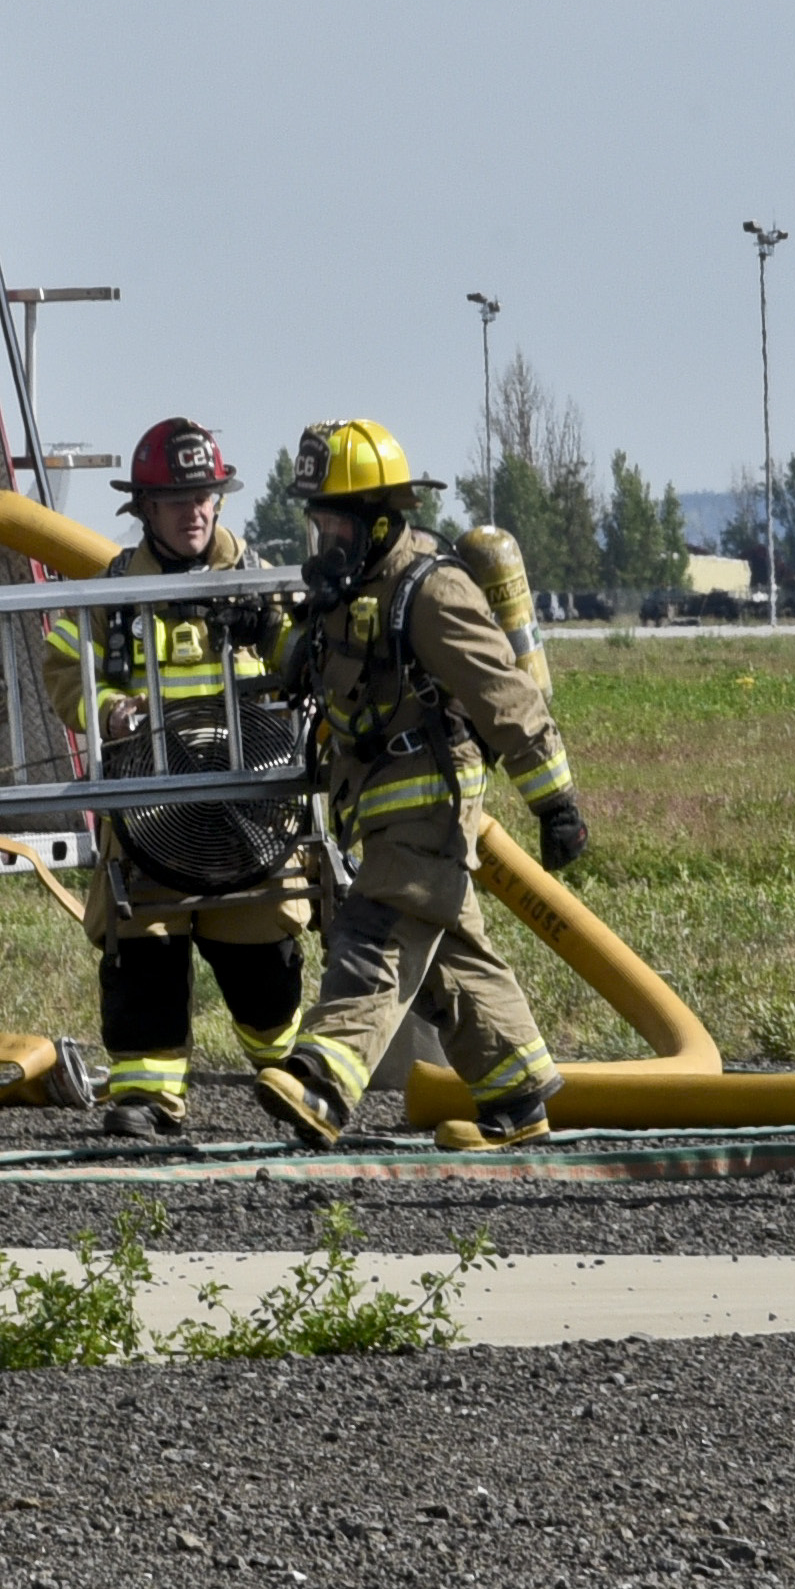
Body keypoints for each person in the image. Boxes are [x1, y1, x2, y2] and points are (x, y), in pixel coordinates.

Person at [247, 420, 582, 1152]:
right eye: (318, 521)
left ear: (378, 519)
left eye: (336, 521)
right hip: (378, 803)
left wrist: (554, 802)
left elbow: (507, 696)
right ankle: (518, 1097)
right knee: (449, 955)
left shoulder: (430, 591)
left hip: (429, 796)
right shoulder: (352, 587)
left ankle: (321, 1085)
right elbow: (324, 663)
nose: (325, 536)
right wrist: (268, 635)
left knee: (376, 933)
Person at [41, 416, 303, 1137]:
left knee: (264, 966)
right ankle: (148, 1101)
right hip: (150, 812)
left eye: (204, 496)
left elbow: (306, 658)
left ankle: (296, 1083)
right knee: (146, 959)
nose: (194, 511)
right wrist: (106, 709)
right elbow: (63, 664)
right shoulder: (113, 593)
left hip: (246, 809)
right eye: (177, 499)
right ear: (145, 510)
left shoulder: (261, 583)